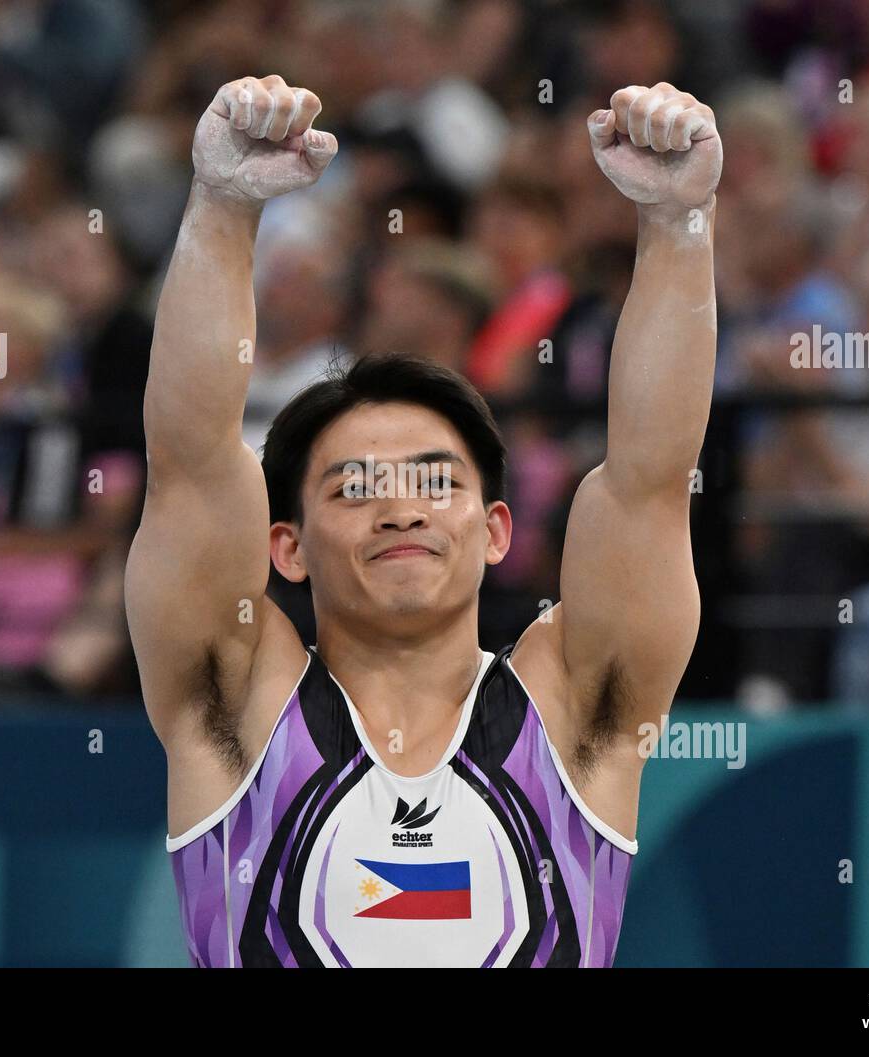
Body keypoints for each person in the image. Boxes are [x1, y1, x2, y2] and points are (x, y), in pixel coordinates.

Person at [126, 75, 721, 968]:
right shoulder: (236, 704)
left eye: (436, 481)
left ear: (495, 530)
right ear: (281, 546)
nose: (400, 505)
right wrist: (221, 206)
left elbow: (652, 479)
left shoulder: (577, 707)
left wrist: (677, 225)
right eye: (354, 486)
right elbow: (189, 465)